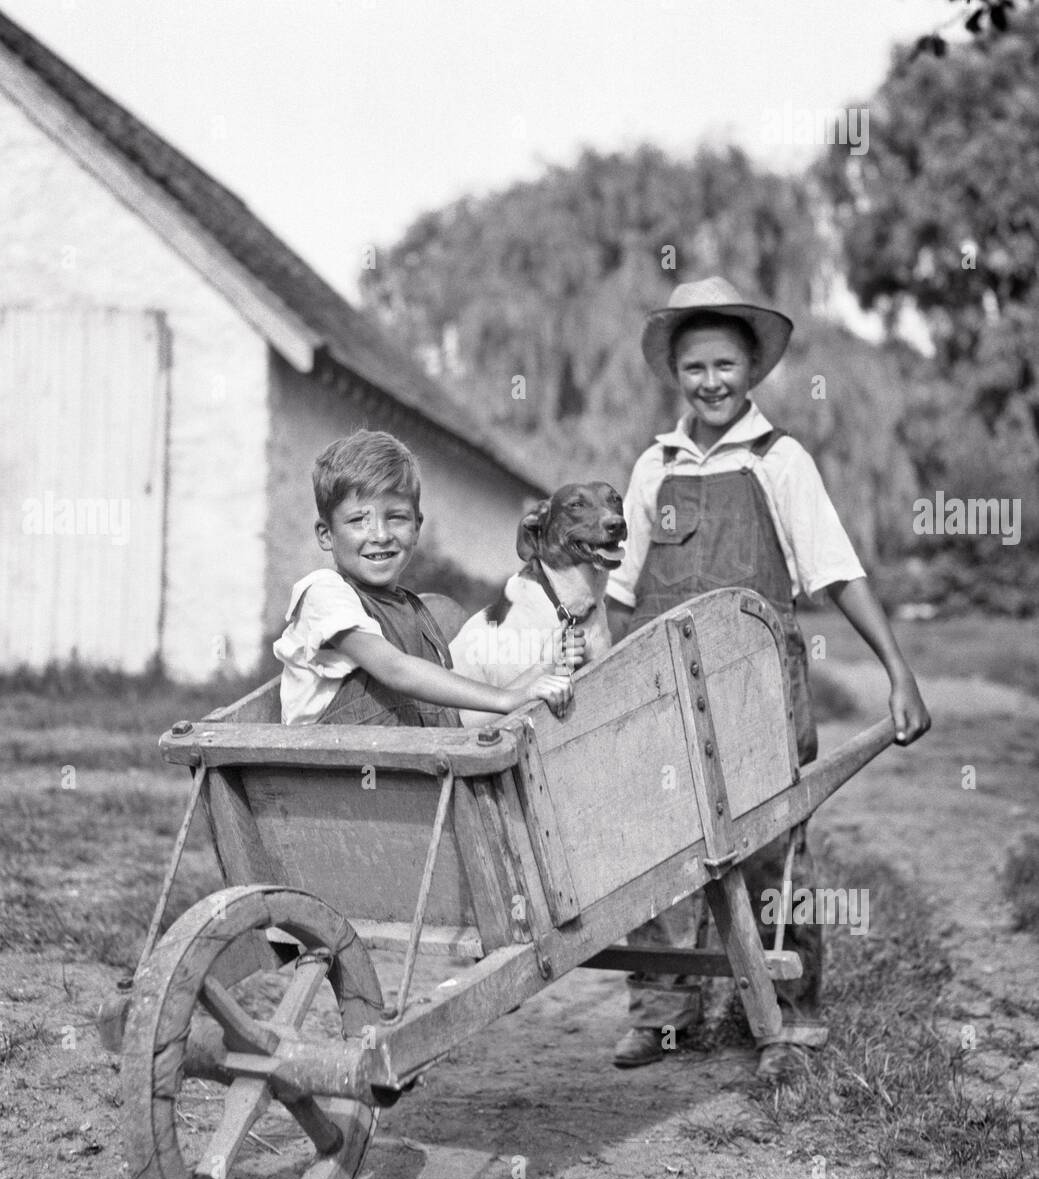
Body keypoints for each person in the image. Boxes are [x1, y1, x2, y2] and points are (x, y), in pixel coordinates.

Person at [606, 277, 930, 1076]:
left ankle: (785, 1014)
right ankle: (662, 1014)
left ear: (751, 368)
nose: (709, 381)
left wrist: (899, 671)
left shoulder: (780, 460)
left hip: (756, 691)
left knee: (769, 847)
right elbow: (617, 587)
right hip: (664, 690)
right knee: (660, 847)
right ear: (672, 374)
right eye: (693, 367)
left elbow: (836, 573)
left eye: (723, 364)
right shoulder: (653, 465)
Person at [274, 430, 573, 727]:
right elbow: (394, 670)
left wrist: (538, 673)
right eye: (358, 521)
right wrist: (506, 699)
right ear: (326, 534)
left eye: (396, 517)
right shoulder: (323, 593)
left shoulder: (413, 615)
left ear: (417, 527)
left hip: (408, 764)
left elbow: (452, 721)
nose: (380, 535)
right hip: (330, 770)